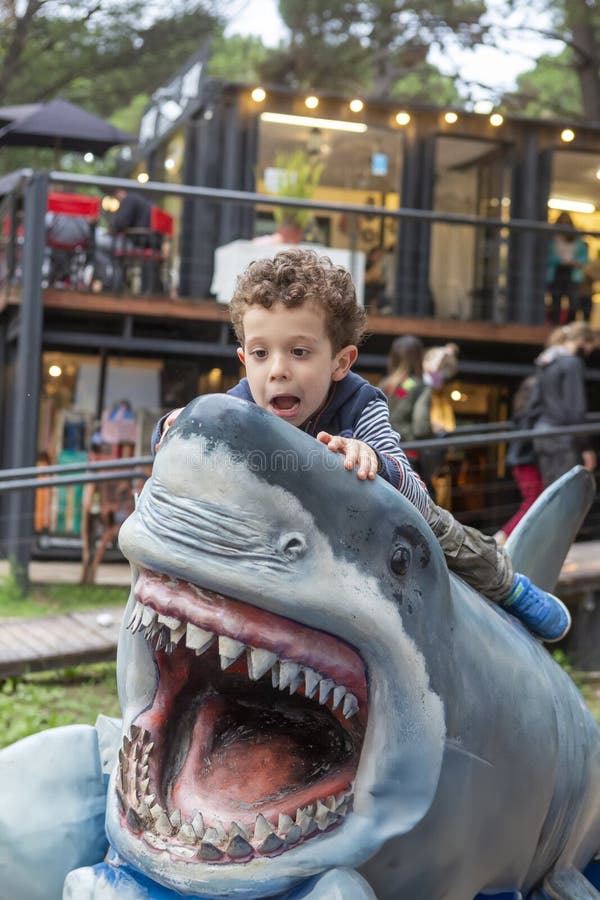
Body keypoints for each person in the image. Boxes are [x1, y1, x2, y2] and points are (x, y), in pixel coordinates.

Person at [153, 248, 571, 643]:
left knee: (443, 533)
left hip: (370, 519)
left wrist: (374, 459)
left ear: (341, 362)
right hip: (290, 530)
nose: (277, 370)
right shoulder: (240, 406)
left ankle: (510, 586)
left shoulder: (359, 403)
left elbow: (414, 492)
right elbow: (187, 439)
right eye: (261, 353)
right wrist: (172, 428)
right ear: (244, 359)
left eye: (299, 351)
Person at [532, 321, 597, 488]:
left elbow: (535, 401)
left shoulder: (547, 360)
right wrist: (586, 447)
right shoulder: (572, 363)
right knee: (566, 491)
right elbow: (576, 407)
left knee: (551, 491)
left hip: (541, 433)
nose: (591, 351)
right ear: (582, 340)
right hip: (561, 436)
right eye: (591, 345)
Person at [379, 335, 436, 488]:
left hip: (381, 455)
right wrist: (434, 433)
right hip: (408, 458)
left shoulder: (384, 385)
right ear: (418, 357)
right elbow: (421, 427)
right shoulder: (419, 386)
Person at [494, 375, 544, 547]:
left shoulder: (521, 412)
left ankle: (507, 537)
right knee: (533, 503)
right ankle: (504, 535)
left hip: (520, 462)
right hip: (526, 462)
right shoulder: (532, 415)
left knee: (534, 502)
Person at [546, 212, 589, 326]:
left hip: (573, 272)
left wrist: (576, 262)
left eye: (566, 223)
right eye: (562, 223)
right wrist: (559, 261)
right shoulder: (552, 238)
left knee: (573, 301)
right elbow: (547, 255)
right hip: (557, 271)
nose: (564, 226)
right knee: (556, 300)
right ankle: (555, 325)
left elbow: (584, 258)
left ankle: (570, 326)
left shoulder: (577, 239)